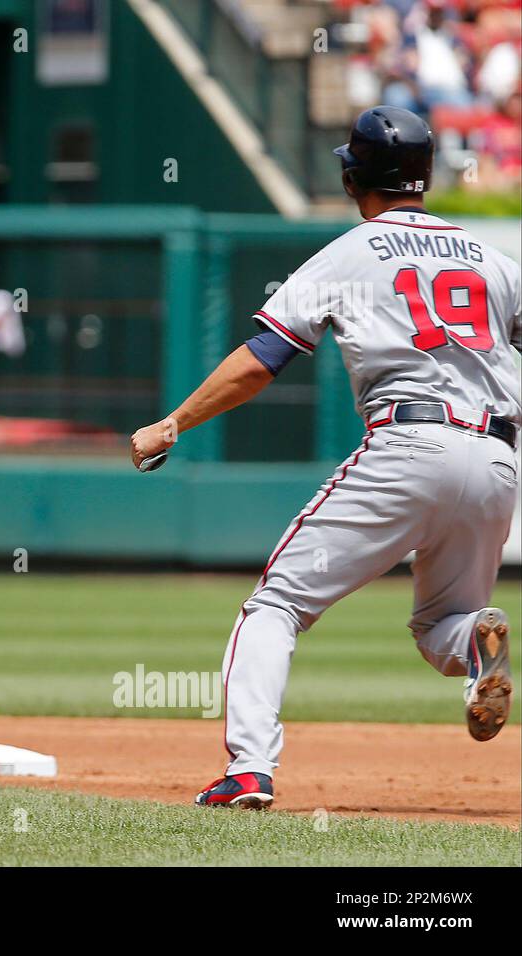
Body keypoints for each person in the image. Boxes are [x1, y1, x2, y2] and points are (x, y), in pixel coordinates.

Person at [131, 106, 520, 809]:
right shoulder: (492, 260)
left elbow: (262, 360)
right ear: (426, 175)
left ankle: (249, 770)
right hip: (496, 458)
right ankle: (477, 646)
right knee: (440, 625)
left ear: (352, 175)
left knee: (276, 605)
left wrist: (175, 421)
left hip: (408, 444)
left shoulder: (350, 252)